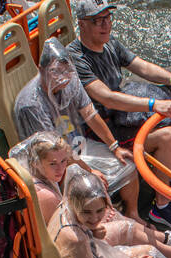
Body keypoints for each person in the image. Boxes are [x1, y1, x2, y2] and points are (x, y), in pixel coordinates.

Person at [67, 0, 171, 231]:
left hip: (121, 117)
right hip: (102, 129)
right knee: (167, 136)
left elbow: (140, 66)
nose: (105, 25)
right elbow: (105, 96)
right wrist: (152, 105)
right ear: (82, 24)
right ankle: (161, 207)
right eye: (98, 21)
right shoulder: (76, 57)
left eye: (108, 18)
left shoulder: (109, 44)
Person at [14, 37, 142, 221]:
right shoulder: (32, 105)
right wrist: (89, 171)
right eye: (55, 73)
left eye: (65, 72)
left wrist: (115, 147)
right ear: (41, 70)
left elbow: (90, 114)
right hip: (52, 161)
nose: (62, 80)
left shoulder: (70, 80)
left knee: (128, 166)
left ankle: (133, 214)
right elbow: (54, 151)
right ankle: (105, 224)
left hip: (76, 144)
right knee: (91, 186)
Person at [24, 133, 171, 258]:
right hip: (75, 252)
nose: (60, 169)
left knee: (115, 214)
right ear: (36, 162)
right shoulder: (45, 196)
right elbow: (61, 235)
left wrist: (90, 171)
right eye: (53, 164)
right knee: (125, 227)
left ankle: (166, 239)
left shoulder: (45, 173)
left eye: (63, 161)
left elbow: (71, 161)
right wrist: (95, 225)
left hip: (76, 236)